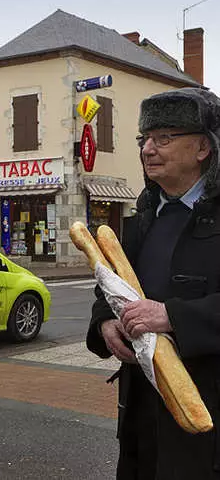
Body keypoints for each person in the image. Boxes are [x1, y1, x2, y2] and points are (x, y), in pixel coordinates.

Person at [86, 87, 220, 480]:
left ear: (202, 148)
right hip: (141, 414)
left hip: (208, 414)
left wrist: (172, 316)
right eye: (145, 139)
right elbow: (109, 286)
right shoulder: (142, 216)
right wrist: (104, 323)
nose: (148, 149)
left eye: (164, 138)